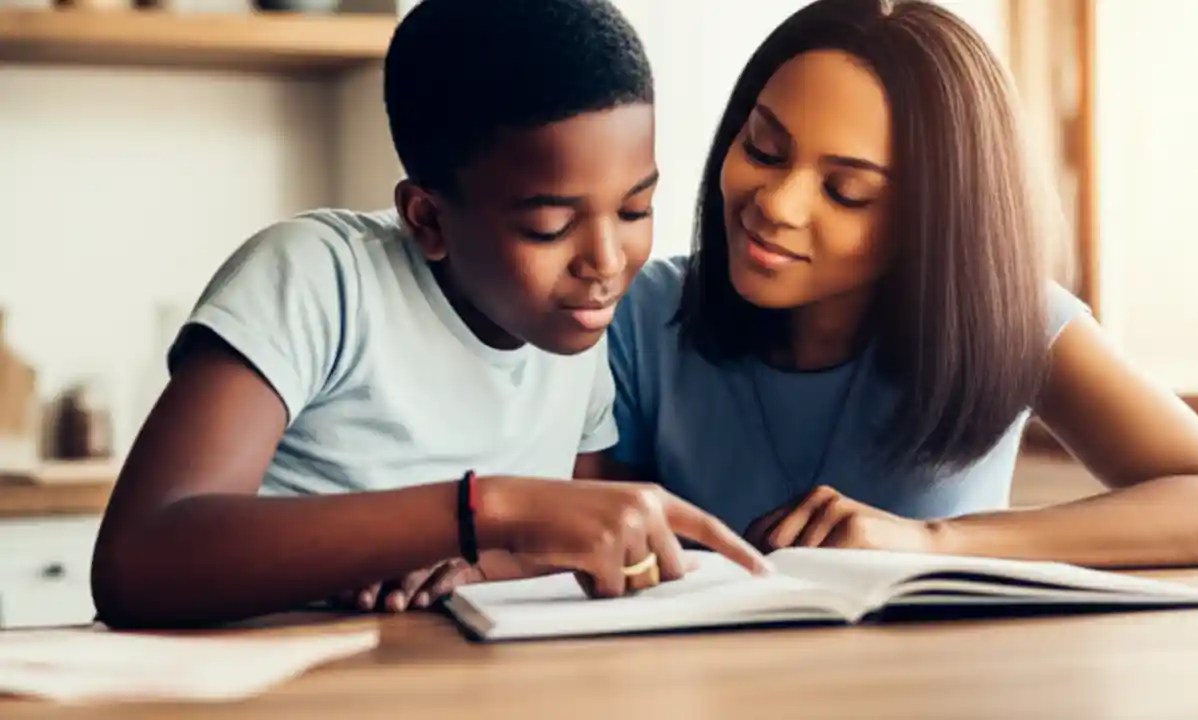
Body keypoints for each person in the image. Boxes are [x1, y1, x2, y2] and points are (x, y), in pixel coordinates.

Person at [90, 0, 768, 630]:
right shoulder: (321, 278)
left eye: (633, 211)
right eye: (549, 226)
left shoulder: (572, 326)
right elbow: (137, 561)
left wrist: (483, 563)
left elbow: (570, 544)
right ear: (427, 218)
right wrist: (482, 509)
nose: (605, 260)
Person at [606, 0, 1198, 568]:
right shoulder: (639, 315)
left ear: (933, 220)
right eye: (762, 148)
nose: (776, 204)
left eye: (846, 192)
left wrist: (935, 541)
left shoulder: (1010, 322)